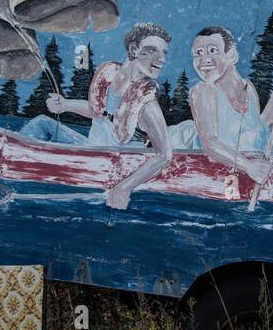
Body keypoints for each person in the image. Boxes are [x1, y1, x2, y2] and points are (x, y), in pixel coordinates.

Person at [18, 23, 174, 209]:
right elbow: (97, 111)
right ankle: (17, 161)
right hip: (91, 151)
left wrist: (124, 188)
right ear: (133, 49)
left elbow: (164, 155)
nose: (161, 59)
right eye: (152, 50)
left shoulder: (147, 105)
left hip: (111, 168)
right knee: (41, 124)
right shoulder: (109, 77)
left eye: (164, 53)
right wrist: (65, 104)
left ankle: (19, 166)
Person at [188, 26, 273, 184]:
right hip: (224, 174)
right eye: (197, 53)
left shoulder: (248, 88)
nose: (204, 59)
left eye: (212, 50)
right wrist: (248, 166)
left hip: (260, 168)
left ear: (232, 55)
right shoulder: (202, 91)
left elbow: (261, 127)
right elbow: (210, 144)